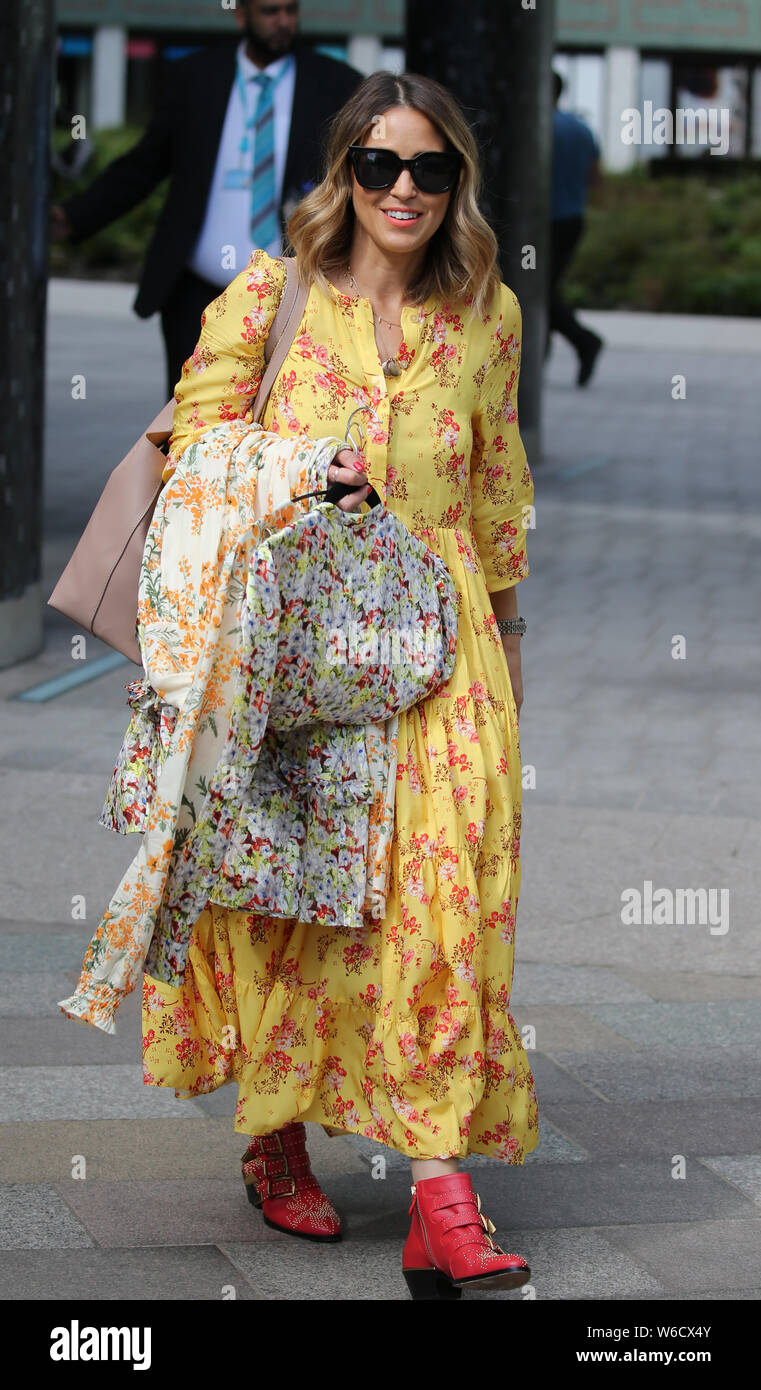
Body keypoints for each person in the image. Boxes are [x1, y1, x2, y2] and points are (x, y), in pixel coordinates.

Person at [136, 70, 539, 1299]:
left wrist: (510, 677)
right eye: (377, 166)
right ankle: (275, 1134)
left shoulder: (487, 312)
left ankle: (440, 1199)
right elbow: (192, 445)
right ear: (340, 175)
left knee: (438, 909)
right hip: (296, 647)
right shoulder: (273, 292)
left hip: (440, 649)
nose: (402, 190)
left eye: (429, 169)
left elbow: (496, 498)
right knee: (288, 898)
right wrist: (308, 465)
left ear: (456, 182)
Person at [50, 0, 363, 399]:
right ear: (240, 14)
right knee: (187, 419)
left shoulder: (335, 84)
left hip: (294, 290)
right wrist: (74, 217)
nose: (283, 22)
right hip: (195, 292)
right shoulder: (195, 79)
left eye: (290, 10)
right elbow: (144, 165)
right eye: (270, 12)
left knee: (282, 413)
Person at [548, 69, 604, 386]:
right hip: (572, 220)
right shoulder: (581, 129)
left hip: (542, 225)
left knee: (537, 293)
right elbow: (596, 180)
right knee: (545, 290)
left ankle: (584, 341)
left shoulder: (537, 129)